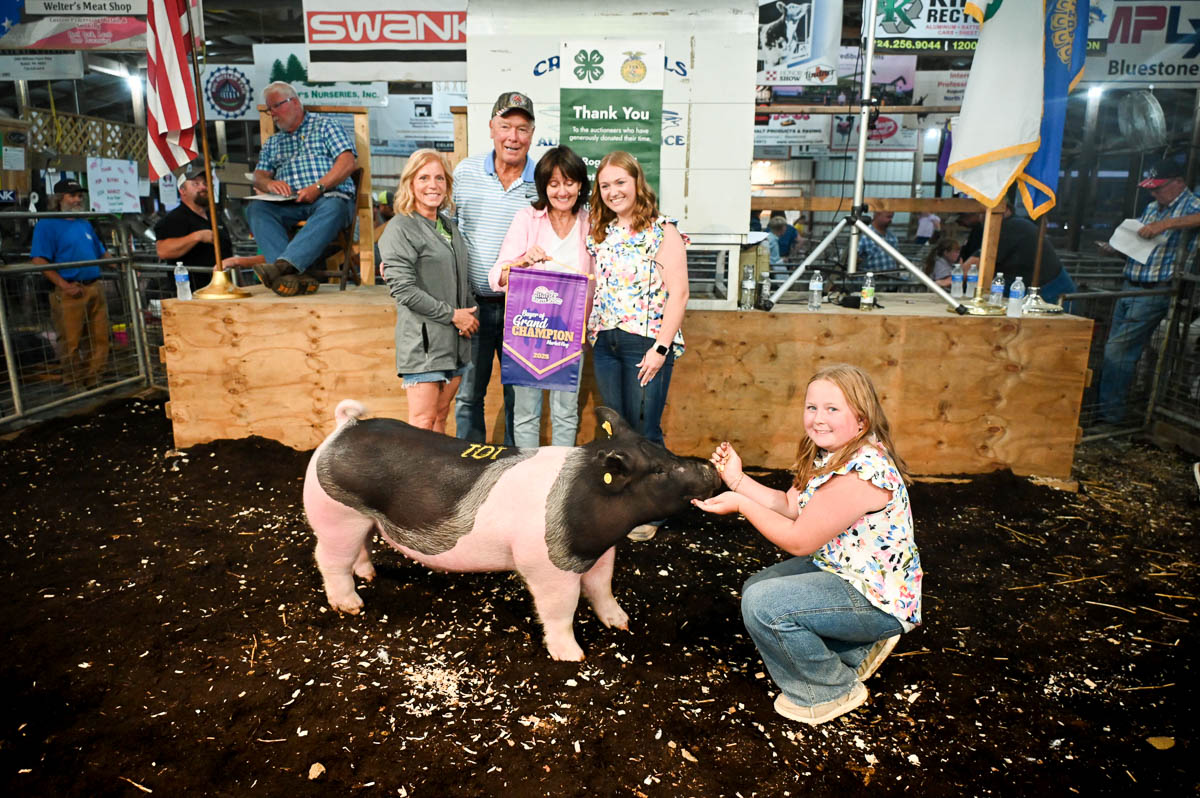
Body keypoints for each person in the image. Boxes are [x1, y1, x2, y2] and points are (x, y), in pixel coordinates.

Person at [693, 363, 922, 726]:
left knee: (766, 605)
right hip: (843, 571)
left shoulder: (862, 471)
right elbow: (790, 507)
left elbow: (799, 541)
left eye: (833, 409)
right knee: (758, 587)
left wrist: (742, 505)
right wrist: (737, 481)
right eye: (812, 407)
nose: (818, 418)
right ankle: (852, 649)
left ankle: (829, 690)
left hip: (875, 597)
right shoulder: (829, 452)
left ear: (861, 418)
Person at [587, 151, 689, 541]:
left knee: (645, 430)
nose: (613, 191)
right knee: (617, 429)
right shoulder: (602, 232)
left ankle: (656, 508)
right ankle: (625, 505)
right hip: (607, 343)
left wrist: (660, 348)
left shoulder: (663, 231)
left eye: (620, 183)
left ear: (637, 182)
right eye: (606, 185)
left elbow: (678, 293)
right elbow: (597, 285)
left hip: (644, 344)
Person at [487, 146, 594, 448]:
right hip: (528, 333)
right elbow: (496, 276)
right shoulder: (527, 219)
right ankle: (526, 477)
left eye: (569, 182)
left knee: (565, 413)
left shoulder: (592, 222)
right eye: (554, 183)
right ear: (544, 186)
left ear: (580, 185)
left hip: (571, 334)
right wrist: (521, 261)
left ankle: (558, 478)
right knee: (525, 413)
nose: (562, 191)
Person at [452, 91, 540, 446]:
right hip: (473, 304)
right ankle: (465, 467)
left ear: (532, 133)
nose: (513, 137)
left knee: (520, 396)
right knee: (468, 394)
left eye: (522, 128)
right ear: (491, 128)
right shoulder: (465, 172)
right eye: (505, 126)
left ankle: (510, 467)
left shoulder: (544, 180)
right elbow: (447, 228)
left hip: (525, 308)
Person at [378, 149, 478, 432]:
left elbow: (461, 279)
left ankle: (437, 479)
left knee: (441, 418)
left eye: (439, 178)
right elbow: (404, 290)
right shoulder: (399, 228)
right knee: (422, 423)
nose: (432, 185)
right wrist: (453, 315)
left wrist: (469, 314)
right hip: (424, 346)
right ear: (410, 183)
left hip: (455, 344)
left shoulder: (449, 228)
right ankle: (413, 479)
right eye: (423, 178)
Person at [1098, 157, 1200, 424]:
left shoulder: (1191, 205)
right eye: (1151, 189)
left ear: (1179, 183)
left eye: (1159, 187)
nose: (1154, 193)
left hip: (1154, 291)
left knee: (1117, 352)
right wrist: (1118, 246)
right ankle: (1109, 408)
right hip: (1131, 284)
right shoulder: (1154, 207)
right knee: (1116, 350)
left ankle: (1110, 417)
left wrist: (1166, 224)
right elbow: (1142, 239)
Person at [247, 81, 358, 297]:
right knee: (256, 209)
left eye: (276, 107)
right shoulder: (273, 142)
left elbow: (347, 162)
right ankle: (291, 274)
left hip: (328, 197)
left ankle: (283, 268)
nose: (273, 114)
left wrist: (319, 187)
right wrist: (269, 184)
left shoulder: (325, 126)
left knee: (334, 207)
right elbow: (259, 176)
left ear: (295, 103)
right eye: (269, 109)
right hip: (288, 203)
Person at [31, 177, 110, 388]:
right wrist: (64, 285)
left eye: (79, 196)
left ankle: (94, 380)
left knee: (100, 338)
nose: (77, 199)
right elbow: (39, 259)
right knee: (71, 341)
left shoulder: (84, 222)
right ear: (59, 199)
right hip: (68, 290)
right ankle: (74, 383)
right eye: (72, 195)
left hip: (93, 285)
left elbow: (100, 251)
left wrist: (123, 265)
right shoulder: (47, 224)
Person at [154, 161, 263, 289]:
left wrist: (239, 282)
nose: (203, 187)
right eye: (196, 184)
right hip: (193, 291)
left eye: (205, 183)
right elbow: (163, 251)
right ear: (182, 191)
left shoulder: (214, 216)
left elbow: (227, 254)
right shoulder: (174, 219)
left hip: (224, 287)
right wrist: (196, 237)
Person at [959, 205, 1077, 303]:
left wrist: (947, 280)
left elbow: (971, 266)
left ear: (1005, 208)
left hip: (1050, 292)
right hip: (1025, 289)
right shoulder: (1005, 226)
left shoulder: (1012, 227)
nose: (980, 218)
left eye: (981, 214)